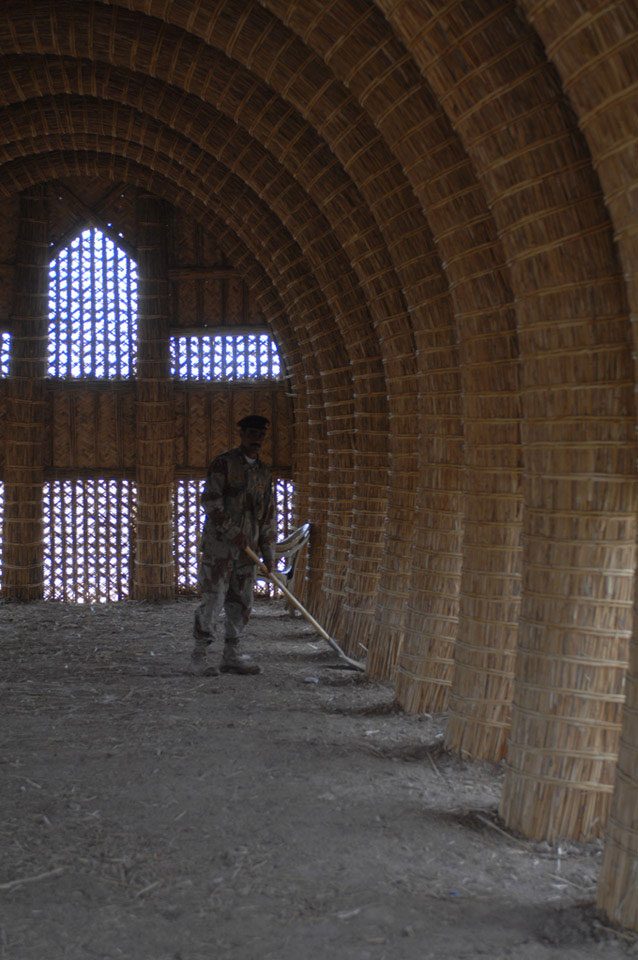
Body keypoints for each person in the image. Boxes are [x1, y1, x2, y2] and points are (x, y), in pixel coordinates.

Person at [188, 414, 276, 676]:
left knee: (242, 603)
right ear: (242, 434)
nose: (256, 439)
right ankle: (199, 656)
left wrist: (269, 553)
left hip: (247, 554)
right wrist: (231, 531)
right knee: (213, 600)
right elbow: (210, 503)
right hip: (220, 550)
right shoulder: (223, 464)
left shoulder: (264, 472)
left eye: (261, 435)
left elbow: (268, 515)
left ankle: (231, 655)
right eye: (252, 434)